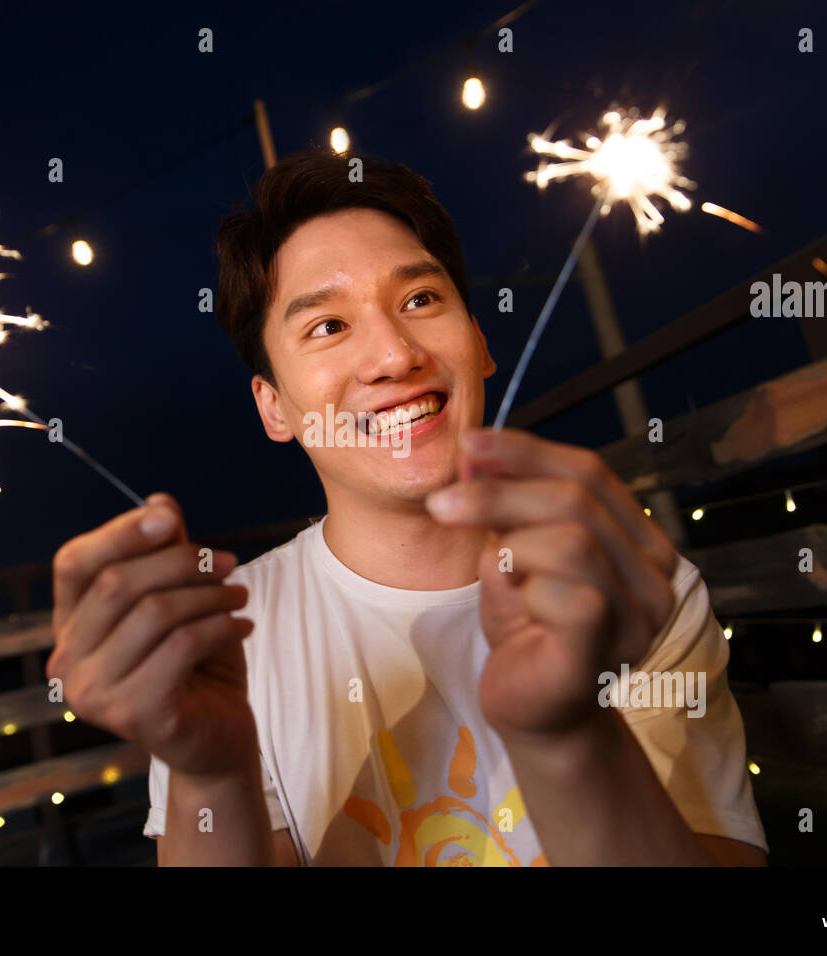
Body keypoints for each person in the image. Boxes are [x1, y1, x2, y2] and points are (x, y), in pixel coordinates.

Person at [46, 149, 768, 866]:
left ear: (480, 343)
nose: (395, 355)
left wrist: (567, 736)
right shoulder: (226, 637)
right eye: (327, 326)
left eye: (420, 300)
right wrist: (210, 775)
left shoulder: (627, 587)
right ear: (273, 406)